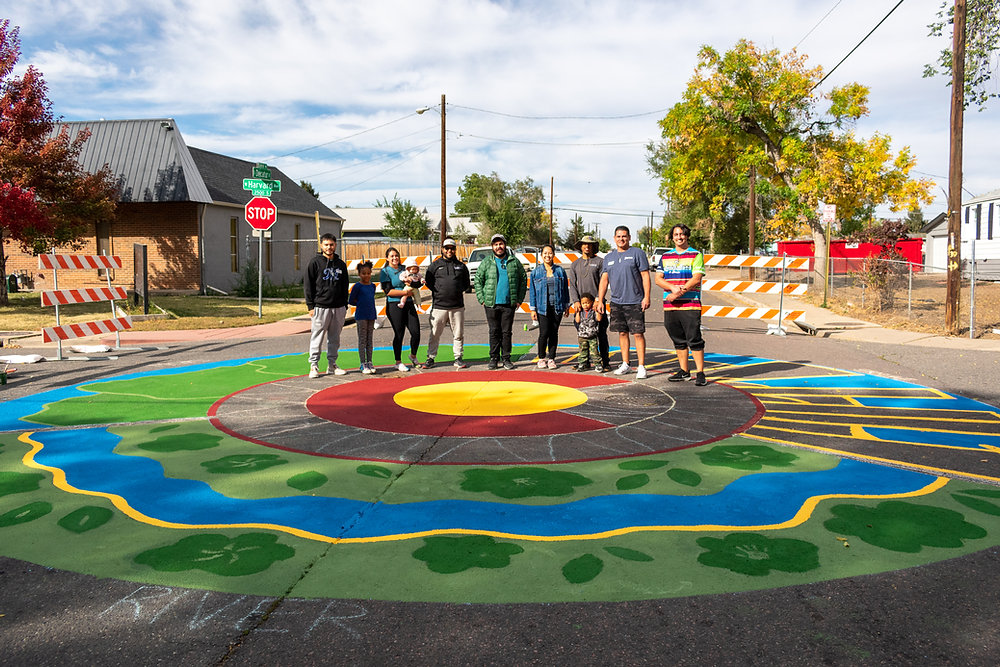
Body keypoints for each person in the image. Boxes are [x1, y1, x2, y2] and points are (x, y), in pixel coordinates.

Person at [654, 224, 708, 386]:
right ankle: (684, 371)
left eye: (682, 234)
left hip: (690, 304)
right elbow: (658, 278)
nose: (679, 237)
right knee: (678, 339)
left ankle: (700, 373)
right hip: (671, 306)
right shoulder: (665, 257)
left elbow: (696, 278)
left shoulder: (695, 255)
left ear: (687, 236)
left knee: (694, 338)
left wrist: (679, 292)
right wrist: (671, 288)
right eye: (676, 234)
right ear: (672, 238)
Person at [597, 225, 651, 379]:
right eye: (619, 236)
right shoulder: (609, 258)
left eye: (624, 236)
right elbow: (604, 280)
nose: (621, 239)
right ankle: (626, 363)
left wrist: (646, 297)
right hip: (616, 302)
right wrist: (600, 300)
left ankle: (641, 366)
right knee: (622, 333)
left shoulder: (637, 253)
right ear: (614, 238)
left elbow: (645, 276)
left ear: (629, 237)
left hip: (635, 301)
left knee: (638, 334)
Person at [474, 233, 527, 370]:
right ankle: (493, 358)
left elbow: (522, 279)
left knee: (506, 332)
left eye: (501, 244)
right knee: (494, 331)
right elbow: (478, 280)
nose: (499, 247)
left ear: (505, 245)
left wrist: (519, 300)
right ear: (492, 247)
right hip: (491, 304)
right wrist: (482, 299)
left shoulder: (514, 262)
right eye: (496, 244)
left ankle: (506, 359)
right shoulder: (487, 262)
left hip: (509, 304)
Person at [304, 233, 349, 378]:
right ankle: (314, 366)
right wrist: (310, 306)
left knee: (334, 338)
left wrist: (344, 305)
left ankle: (332, 365)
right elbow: (308, 285)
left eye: (332, 244)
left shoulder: (341, 264)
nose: (329, 247)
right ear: (321, 246)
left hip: (338, 307)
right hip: (320, 306)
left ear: (335, 245)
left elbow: (344, 285)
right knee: (317, 336)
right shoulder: (315, 263)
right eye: (326, 245)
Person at [423, 237, 471, 368]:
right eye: (447, 248)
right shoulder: (434, 266)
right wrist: (439, 291)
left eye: (452, 248)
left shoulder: (461, 266)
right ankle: (431, 358)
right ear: (442, 249)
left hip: (457, 307)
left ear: (455, 250)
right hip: (439, 306)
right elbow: (429, 282)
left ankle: (458, 357)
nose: (449, 250)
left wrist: (456, 291)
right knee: (434, 334)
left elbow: (466, 284)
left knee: (458, 334)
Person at [568, 234, 610, 370]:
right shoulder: (575, 264)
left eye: (589, 244)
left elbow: (603, 282)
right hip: (582, 306)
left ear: (593, 247)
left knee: (601, 334)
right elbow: (573, 285)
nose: (587, 246)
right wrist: (576, 301)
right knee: (583, 336)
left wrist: (599, 299)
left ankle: (604, 361)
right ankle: (584, 361)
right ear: (580, 246)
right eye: (584, 244)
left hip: (597, 305)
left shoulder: (599, 262)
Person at [528, 244, 570, 369]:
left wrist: (566, 305)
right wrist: (533, 309)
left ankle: (551, 358)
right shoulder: (536, 272)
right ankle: (541, 358)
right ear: (541, 255)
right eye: (545, 253)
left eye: (550, 253)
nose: (548, 255)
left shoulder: (560, 271)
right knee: (544, 333)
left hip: (557, 307)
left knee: (554, 333)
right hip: (542, 308)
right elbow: (532, 292)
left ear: (554, 255)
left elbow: (565, 290)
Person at [379, 247, 421, 372]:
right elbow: (388, 291)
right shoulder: (385, 272)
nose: (394, 258)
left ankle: (413, 356)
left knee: (416, 332)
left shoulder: (405, 268)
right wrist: (406, 294)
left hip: (408, 304)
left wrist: (413, 283)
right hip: (394, 305)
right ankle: (398, 361)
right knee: (399, 333)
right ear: (387, 258)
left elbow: (417, 282)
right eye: (391, 256)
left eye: (396, 255)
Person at [348, 260, 378, 375]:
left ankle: (370, 361)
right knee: (362, 339)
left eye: (368, 273)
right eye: (363, 273)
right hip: (361, 316)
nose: (366, 275)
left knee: (369, 339)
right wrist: (360, 304)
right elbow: (352, 300)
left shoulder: (372, 286)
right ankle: (363, 363)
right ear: (359, 274)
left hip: (371, 315)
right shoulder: (357, 286)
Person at [574, 292, 603, 372]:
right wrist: (577, 312)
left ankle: (598, 364)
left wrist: (597, 311)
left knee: (594, 351)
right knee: (583, 351)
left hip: (592, 335)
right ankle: (582, 364)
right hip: (582, 336)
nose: (585, 305)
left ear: (591, 303)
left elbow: (599, 319)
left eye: (587, 303)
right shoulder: (581, 312)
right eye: (583, 303)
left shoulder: (593, 312)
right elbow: (577, 321)